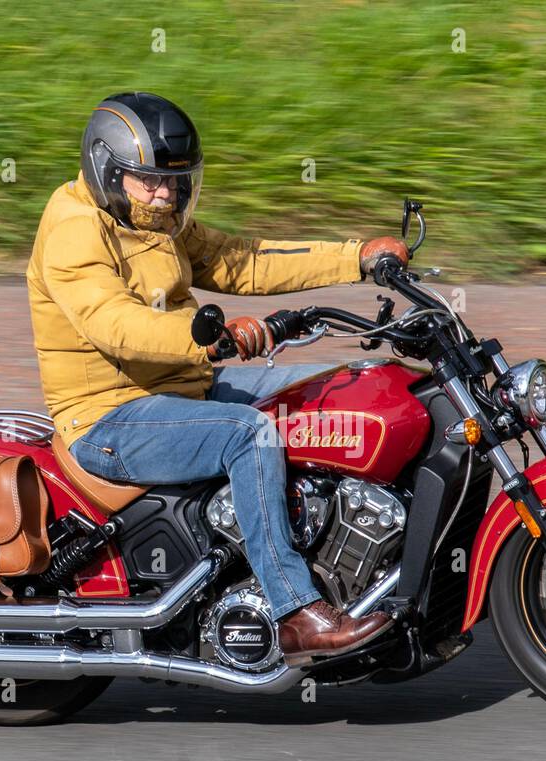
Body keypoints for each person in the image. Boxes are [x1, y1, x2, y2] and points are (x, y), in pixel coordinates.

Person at [27, 92, 409, 665]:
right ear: (107, 170)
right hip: (108, 417)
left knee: (341, 389)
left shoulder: (151, 217)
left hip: (180, 386)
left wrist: (356, 257)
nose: (166, 194)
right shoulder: (76, 231)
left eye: (176, 182)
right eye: (148, 180)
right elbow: (114, 324)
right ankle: (294, 610)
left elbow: (243, 260)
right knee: (248, 434)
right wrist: (210, 337)